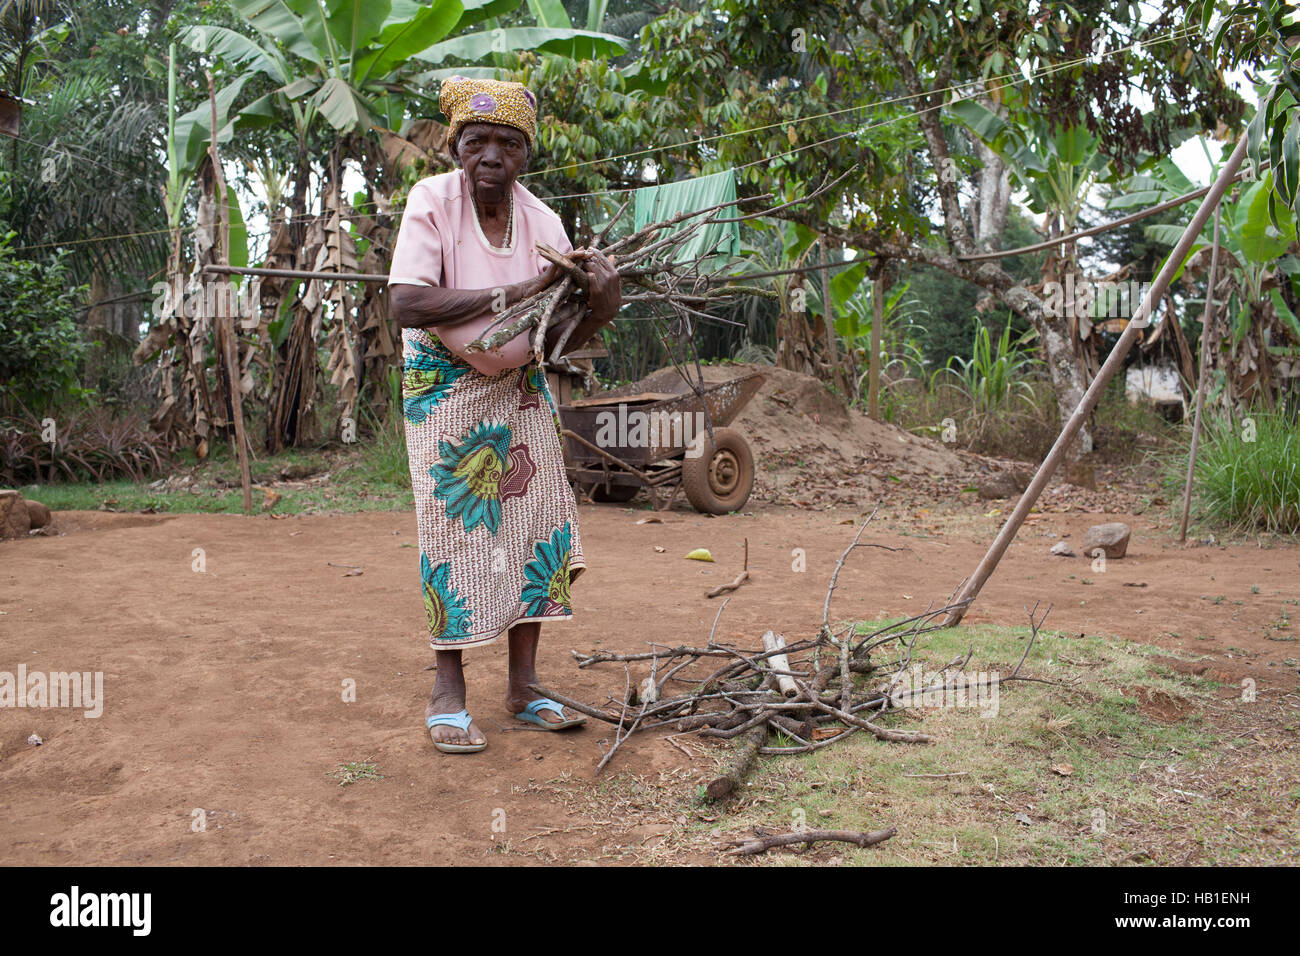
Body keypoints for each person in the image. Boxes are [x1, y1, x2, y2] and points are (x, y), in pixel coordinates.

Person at [388, 76, 621, 753]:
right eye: (479, 140)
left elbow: (553, 338)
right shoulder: (431, 201)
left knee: (535, 524)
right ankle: (448, 690)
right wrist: (513, 293)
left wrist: (601, 305)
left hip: (520, 387)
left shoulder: (545, 224)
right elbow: (407, 303)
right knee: (454, 531)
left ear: (526, 154)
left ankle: (523, 688)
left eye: (509, 143)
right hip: (444, 385)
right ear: (457, 144)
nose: (492, 155)